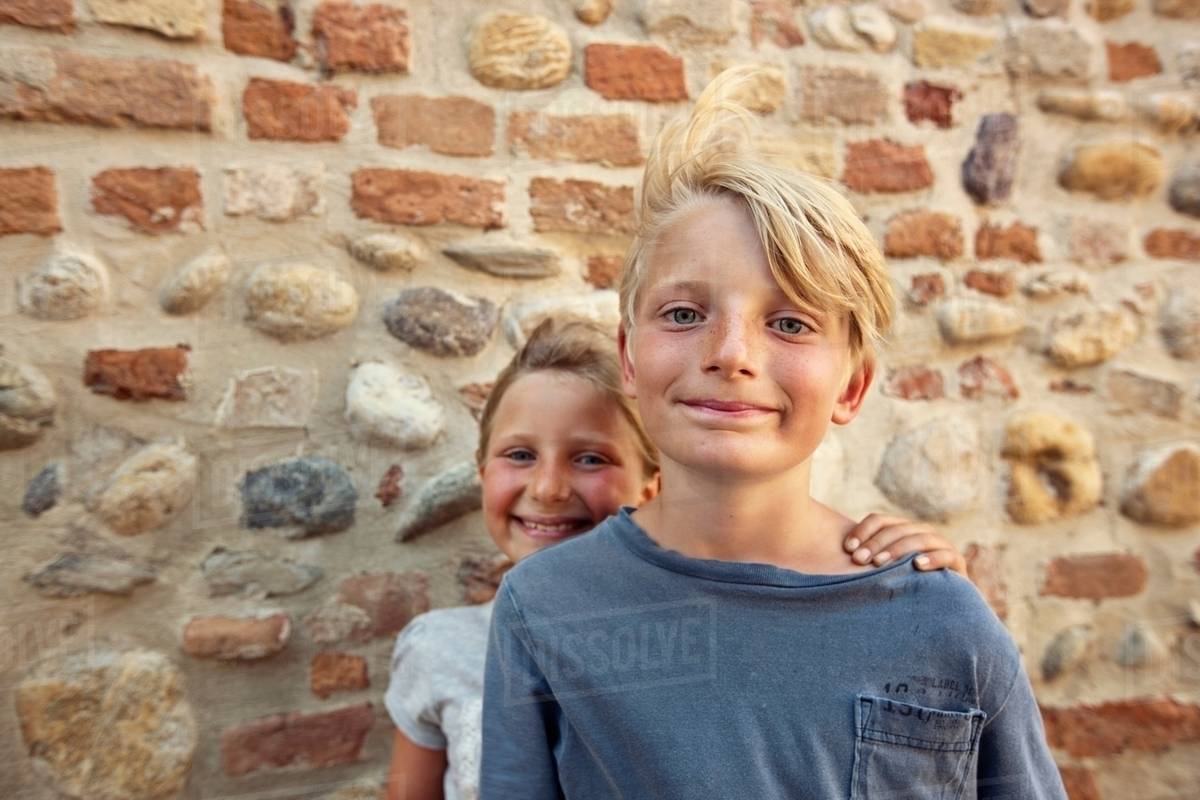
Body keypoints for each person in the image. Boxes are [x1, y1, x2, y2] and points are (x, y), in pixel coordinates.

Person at [479, 68, 1065, 800]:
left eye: (789, 323)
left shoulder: (943, 618)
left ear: (850, 387)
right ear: (630, 358)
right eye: (684, 314)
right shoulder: (546, 606)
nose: (731, 353)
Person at [384, 320, 969, 800]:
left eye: (590, 459)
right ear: (482, 473)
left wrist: (920, 604)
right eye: (518, 454)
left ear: (651, 486)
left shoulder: (698, 635)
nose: (549, 488)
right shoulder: (436, 648)